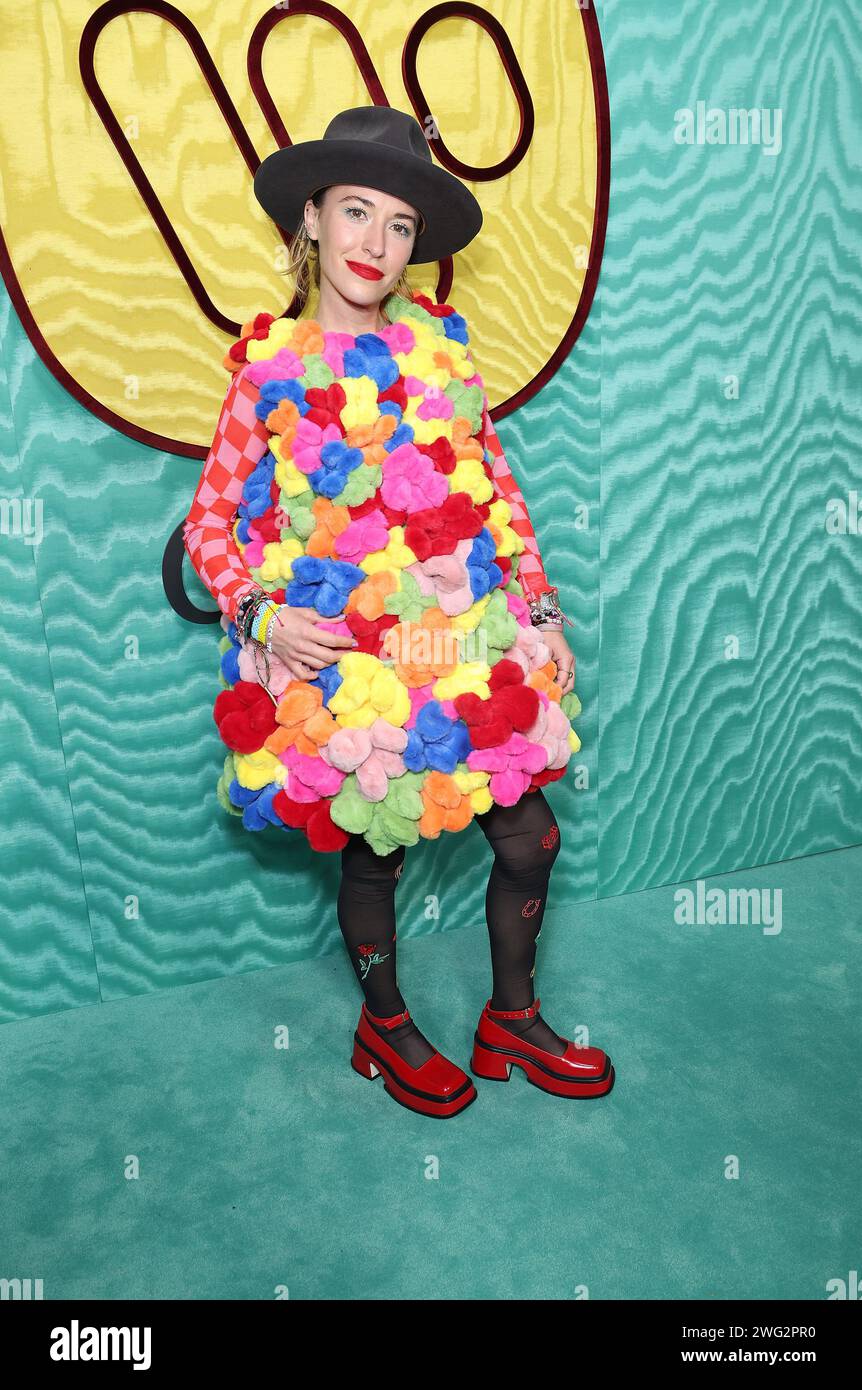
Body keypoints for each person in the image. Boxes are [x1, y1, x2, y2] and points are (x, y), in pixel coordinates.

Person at [183, 107, 614, 1117]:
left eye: (400, 226)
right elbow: (210, 526)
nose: (376, 243)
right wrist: (260, 615)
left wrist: (540, 611)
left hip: (457, 644)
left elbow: (499, 495)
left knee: (529, 837)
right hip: (347, 665)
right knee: (376, 848)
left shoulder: (446, 359)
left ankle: (509, 1017)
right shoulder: (266, 374)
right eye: (356, 212)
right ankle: (382, 1024)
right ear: (310, 220)